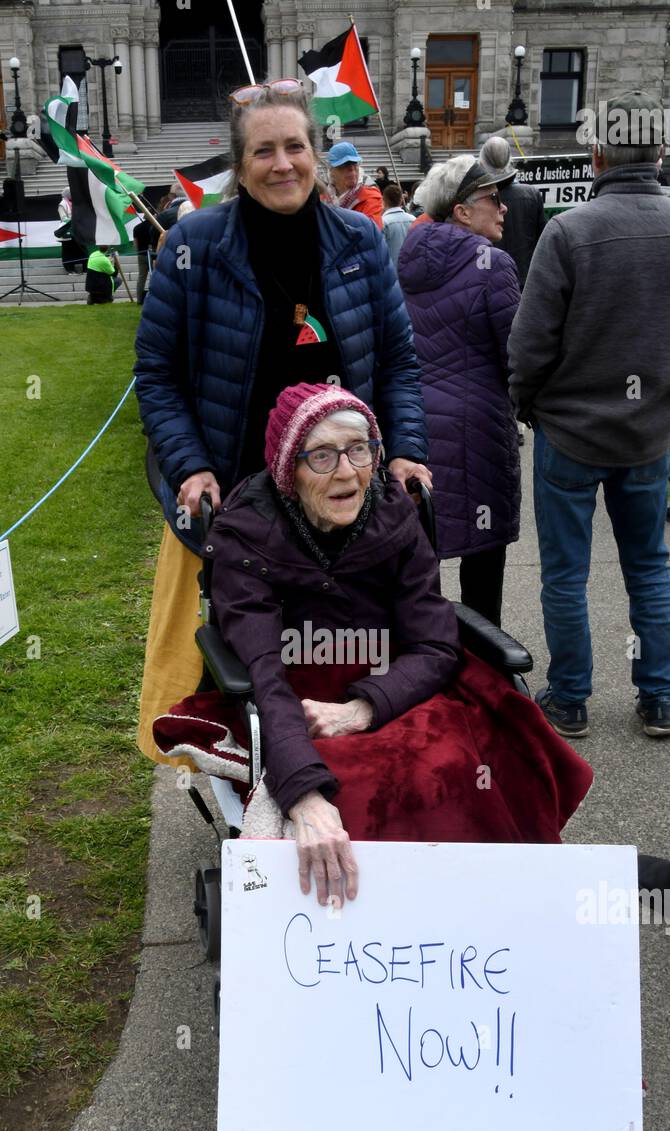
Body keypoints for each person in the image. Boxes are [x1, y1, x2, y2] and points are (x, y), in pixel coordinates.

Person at [176, 381, 593, 1131]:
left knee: (470, 783)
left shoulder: (393, 514)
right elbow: (263, 675)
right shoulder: (248, 533)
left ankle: (522, 1083)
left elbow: (435, 640)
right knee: (352, 819)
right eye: (323, 455)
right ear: (289, 468)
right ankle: (361, 1123)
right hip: (292, 702)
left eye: (359, 449)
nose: (347, 471)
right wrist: (302, 794)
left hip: (385, 690)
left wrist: (369, 702)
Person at [133, 82, 430, 765]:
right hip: (238, 497)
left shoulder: (358, 238)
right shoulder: (195, 244)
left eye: (294, 146)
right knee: (243, 649)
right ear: (240, 166)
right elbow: (157, 373)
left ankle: (353, 770)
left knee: (341, 643)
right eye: (263, 150)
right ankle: (242, 782)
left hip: (344, 490)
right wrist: (191, 466)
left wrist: (408, 450)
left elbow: (398, 363)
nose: (282, 163)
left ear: (316, 155)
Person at [508, 89, 670, 739]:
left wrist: (529, 402)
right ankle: (659, 695)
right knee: (651, 566)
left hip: (572, 433)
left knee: (566, 575)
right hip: (648, 432)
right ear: (657, 150)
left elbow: (530, 343)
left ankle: (571, 697)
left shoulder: (569, 231)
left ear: (598, 154)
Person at [398, 156, 521, 626]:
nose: (504, 208)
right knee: (483, 569)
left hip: (416, 430)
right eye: (494, 198)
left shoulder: (406, 258)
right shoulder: (494, 265)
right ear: (462, 211)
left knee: (421, 558)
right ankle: (485, 675)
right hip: (479, 432)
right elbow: (518, 356)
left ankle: (426, 664)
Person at [479, 136, 546, 288]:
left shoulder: (477, 198)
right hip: (524, 280)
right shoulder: (531, 194)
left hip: (489, 280)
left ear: (482, 162)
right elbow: (542, 242)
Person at [325, 140, 383, 227]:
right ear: (331, 171)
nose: (352, 168)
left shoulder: (370, 197)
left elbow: (371, 235)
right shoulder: (323, 198)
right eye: (344, 165)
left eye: (354, 163)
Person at [381, 183, 415, 266]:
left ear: (384, 201)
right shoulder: (414, 220)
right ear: (401, 200)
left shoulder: (382, 222)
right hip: (411, 271)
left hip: (391, 273)